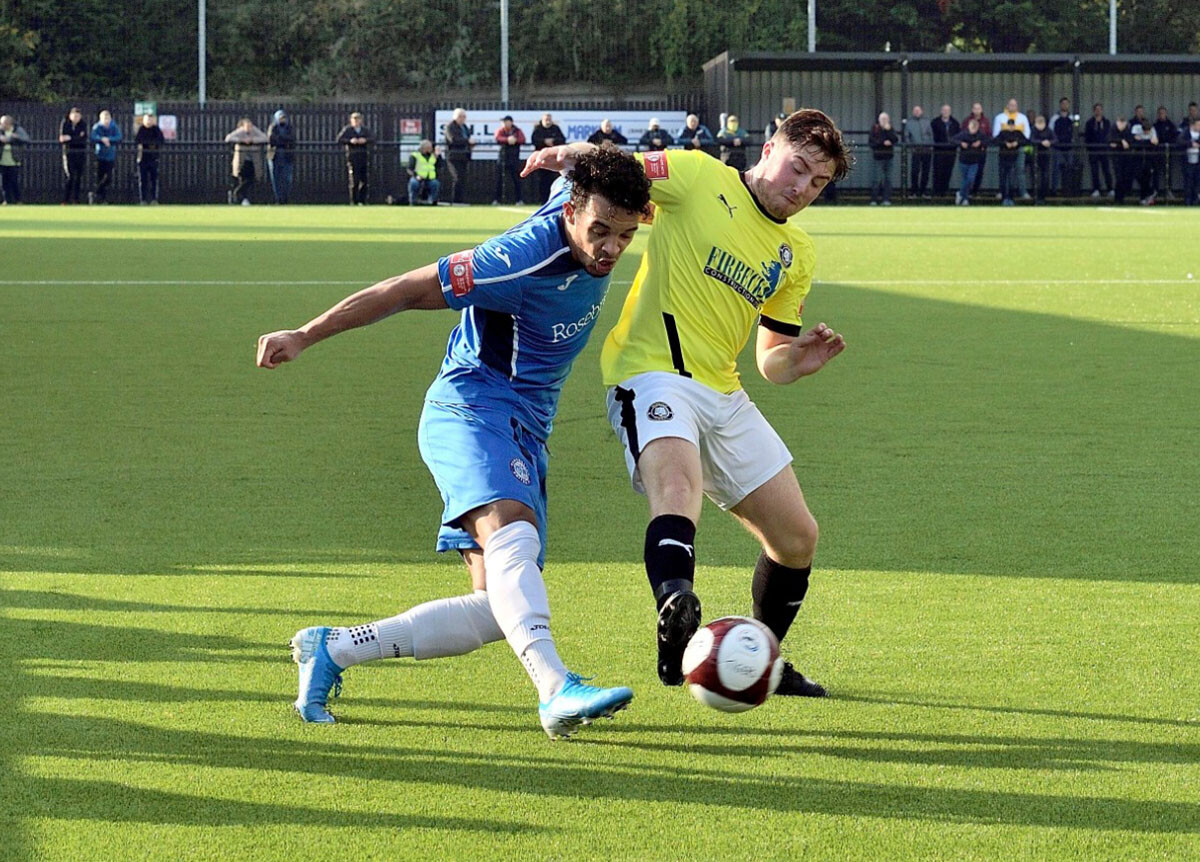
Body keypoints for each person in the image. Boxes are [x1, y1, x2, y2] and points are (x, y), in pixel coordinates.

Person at [256, 146, 650, 738]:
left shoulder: (580, 194)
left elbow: (598, 160)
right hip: (472, 407)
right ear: (570, 212)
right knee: (511, 529)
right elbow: (405, 289)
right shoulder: (514, 261)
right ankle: (554, 687)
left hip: (525, 426)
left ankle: (333, 649)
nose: (611, 249)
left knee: (497, 608)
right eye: (599, 231)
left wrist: (571, 153)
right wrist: (306, 334)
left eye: (624, 235)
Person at [523, 109, 851, 699]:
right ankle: (676, 606)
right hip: (651, 372)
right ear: (769, 147)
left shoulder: (795, 252)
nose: (802, 188)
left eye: (818, 183)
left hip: (723, 390)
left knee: (798, 536)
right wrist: (570, 153)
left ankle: (757, 659)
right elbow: (623, 169)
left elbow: (770, 358)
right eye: (798, 168)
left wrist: (797, 362)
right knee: (677, 488)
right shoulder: (700, 176)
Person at [992, 98, 1031, 200]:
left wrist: (1017, 143)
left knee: (1020, 170)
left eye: (1014, 105)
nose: (1012, 107)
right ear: (1007, 106)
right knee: (1003, 171)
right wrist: (1005, 143)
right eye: (1011, 105)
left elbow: (1027, 134)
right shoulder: (1000, 118)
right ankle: (1002, 192)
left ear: (1017, 106)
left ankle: (1023, 192)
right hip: (1004, 150)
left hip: (1019, 149)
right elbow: (996, 134)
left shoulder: (1023, 118)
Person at [224, 117, 267, 205]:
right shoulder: (240, 132)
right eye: (247, 126)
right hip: (242, 161)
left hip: (253, 162)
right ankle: (242, 198)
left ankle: (239, 194)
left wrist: (253, 140)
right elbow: (228, 138)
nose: (249, 128)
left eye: (250, 126)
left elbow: (265, 138)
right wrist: (241, 140)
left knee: (251, 179)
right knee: (242, 179)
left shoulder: (255, 131)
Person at [337, 112, 373, 205]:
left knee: (365, 180)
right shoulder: (348, 130)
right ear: (351, 121)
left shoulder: (365, 130)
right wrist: (350, 141)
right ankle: (354, 201)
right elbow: (339, 140)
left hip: (364, 156)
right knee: (354, 180)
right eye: (354, 120)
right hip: (353, 157)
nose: (356, 122)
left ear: (361, 120)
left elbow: (373, 139)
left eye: (358, 120)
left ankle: (363, 200)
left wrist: (365, 140)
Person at [443, 107, 476, 204]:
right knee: (457, 178)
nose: (462, 118)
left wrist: (471, 144)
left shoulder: (465, 127)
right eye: (460, 116)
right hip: (454, 156)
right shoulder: (450, 127)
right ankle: (456, 201)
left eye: (464, 116)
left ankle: (461, 200)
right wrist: (467, 141)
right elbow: (453, 140)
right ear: (455, 117)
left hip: (464, 156)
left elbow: (468, 138)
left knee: (463, 179)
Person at [531, 113, 565, 202]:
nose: (548, 121)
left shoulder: (556, 128)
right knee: (541, 181)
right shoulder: (537, 129)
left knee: (554, 180)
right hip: (541, 160)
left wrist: (553, 141)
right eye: (546, 119)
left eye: (549, 119)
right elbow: (534, 140)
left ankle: (553, 199)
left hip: (553, 160)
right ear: (542, 119)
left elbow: (562, 140)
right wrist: (544, 141)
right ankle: (542, 200)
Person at [492, 115, 526, 204]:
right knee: (499, 180)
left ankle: (519, 200)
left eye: (505, 121)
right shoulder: (500, 130)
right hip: (502, 158)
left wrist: (515, 140)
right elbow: (497, 137)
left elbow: (522, 139)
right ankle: (497, 200)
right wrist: (507, 139)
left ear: (510, 122)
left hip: (514, 158)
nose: (503, 123)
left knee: (516, 180)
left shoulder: (517, 131)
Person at [90, 109, 122, 204]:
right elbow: (93, 137)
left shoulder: (114, 127)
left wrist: (108, 139)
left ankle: (96, 194)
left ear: (110, 118)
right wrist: (102, 139)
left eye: (107, 118)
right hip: (99, 155)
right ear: (100, 119)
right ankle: (101, 199)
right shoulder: (97, 127)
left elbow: (119, 137)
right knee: (99, 177)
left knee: (108, 178)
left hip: (110, 156)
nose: (106, 120)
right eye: (104, 118)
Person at [59, 107, 89, 204]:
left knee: (79, 177)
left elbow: (83, 139)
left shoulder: (83, 124)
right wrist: (76, 137)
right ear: (70, 116)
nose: (76, 118)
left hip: (80, 152)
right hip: (68, 153)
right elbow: (62, 138)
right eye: (74, 116)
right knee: (70, 176)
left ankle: (76, 199)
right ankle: (65, 199)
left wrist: (70, 138)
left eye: (78, 116)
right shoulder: (65, 123)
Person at [930, 104, 960, 199]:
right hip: (938, 151)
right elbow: (932, 136)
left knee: (948, 172)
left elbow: (958, 136)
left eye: (947, 110)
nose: (945, 112)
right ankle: (936, 192)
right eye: (944, 110)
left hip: (951, 151)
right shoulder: (935, 122)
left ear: (950, 112)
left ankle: (944, 192)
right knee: (937, 171)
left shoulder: (955, 123)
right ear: (941, 111)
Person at [953, 116, 986, 205]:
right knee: (965, 179)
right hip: (964, 160)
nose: (973, 130)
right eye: (972, 127)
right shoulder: (963, 134)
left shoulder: (980, 135)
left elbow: (989, 140)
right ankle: (965, 198)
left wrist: (980, 143)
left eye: (975, 128)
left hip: (974, 161)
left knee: (970, 179)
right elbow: (953, 139)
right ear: (969, 126)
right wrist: (961, 143)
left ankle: (960, 193)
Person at [1084, 103, 1114, 198]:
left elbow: (1109, 135)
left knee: (1106, 170)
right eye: (1096, 109)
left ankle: (1110, 189)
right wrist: (1090, 147)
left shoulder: (1106, 122)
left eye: (1100, 109)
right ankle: (1096, 189)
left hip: (1104, 150)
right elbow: (1087, 137)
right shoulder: (1089, 123)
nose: (1098, 111)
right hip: (1093, 150)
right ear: (1094, 111)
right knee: (1094, 171)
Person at [868, 112, 898, 205]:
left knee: (888, 179)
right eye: (882, 119)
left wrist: (888, 131)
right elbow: (872, 142)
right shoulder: (875, 128)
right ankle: (874, 200)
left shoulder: (890, 128)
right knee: (877, 179)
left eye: (886, 119)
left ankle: (886, 200)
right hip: (878, 157)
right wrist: (882, 142)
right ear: (879, 120)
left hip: (889, 157)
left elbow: (895, 139)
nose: (884, 121)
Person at [1129, 106, 1158, 205]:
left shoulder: (1153, 130)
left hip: (1149, 158)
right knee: (1139, 176)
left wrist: (1144, 141)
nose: (1147, 133)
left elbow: (1154, 142)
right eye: (1145, 131)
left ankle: (1144, 198)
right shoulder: (1135, 128)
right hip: (1137, 158)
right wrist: (1147, 142)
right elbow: (1134, 142)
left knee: (1147, 178)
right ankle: (1150, 191)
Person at [995, 117, 1027, 206]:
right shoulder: (1002, 133)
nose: (1011, 127)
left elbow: (1026, 141)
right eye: (1009, 125)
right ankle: (1004, 198)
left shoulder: (1018, 133)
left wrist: (1017, 143)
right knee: (1003, 178)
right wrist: (1005, 143)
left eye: (1012, 125)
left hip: (1014, 159)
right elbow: (995, 141)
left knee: (1012, 180)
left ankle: (1011, 198)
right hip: (1003, 158)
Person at [134, 113, 165, 204]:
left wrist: (152, 144)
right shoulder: (141, 129)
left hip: (154, 158)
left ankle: (154, 199)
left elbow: (161, 140)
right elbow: (137, 140)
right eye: (147, 119)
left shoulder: (156, 130)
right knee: (142, 180)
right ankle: (142, 199)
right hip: (142, 158)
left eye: (150, 119)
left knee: (154, 180)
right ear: (143, 120)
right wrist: (147, 144)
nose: (149, 121)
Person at [267, 109, 296, 205]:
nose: (282, 120)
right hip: (275, 155)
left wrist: (281, 139)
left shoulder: (290, 128)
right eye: (280, 118)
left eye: (283, 117)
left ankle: (286, 198)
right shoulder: (273, 127)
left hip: (287, 155)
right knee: (275, 178)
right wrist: (283, 140)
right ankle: (278, 199)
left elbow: (292, 139)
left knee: (287, 178)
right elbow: (272, 139)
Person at [904, 105, 933, 199]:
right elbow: (907, 136)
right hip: (916, 150)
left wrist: (931, 145)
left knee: (926, 171)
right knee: (915, 171)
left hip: (927, 150)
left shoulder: (927, 121)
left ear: (922, 111)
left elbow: (931, 135)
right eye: (915, 111)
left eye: (918, 110)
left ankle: (923, 191)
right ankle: (914, 192)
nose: (916, 112)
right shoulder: (909, 123)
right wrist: (911, 146)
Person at [0, 115, 30, 204]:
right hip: (2, 161)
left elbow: (27, 139)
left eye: (3, 123)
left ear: (8, 124)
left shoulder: (17, 129)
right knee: (4, 182)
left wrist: (16, 138)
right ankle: (7, 200)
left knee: (14, 181)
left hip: (14, 161)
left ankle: (18, 200)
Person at [1049, 98, 1075, 196]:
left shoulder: (1072, 118)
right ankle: (1054, 190)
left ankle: (1069, 190)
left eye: (1066, 103)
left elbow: (1075, 130)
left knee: (1070, 169)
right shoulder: (1054, 118)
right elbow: (1050, 132)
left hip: (1069, 147)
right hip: (1057, 147)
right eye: (1063, 103)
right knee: (1056, 169)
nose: (1064, 105)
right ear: (1060, 105)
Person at [964, 102, 991, 196]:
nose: (977, 110)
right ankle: (965, 193)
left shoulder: (985, 121)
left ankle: (975, 192)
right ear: (972, 110)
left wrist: (981, 143)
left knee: (979, 172)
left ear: (981, 110)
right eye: (975, 108)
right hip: (969, 152)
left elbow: (989, 137)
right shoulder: (967, 121)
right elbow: (962, 135)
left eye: (978, 108)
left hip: (981, 152)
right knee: (968, 174)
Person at [1152, 106, 1178, 199]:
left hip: (1167, 153)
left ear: (1166, 113)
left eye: (1163, 113)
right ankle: (1155, 191)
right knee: (1156, 172)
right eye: (1160, 113)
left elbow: (1174, 137)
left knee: (1167, 172)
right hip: (1157, 153)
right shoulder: (1155, 125)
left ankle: (1168, 191)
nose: (1161, 115)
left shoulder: (1170, 125)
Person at [406, 139, 443, 204]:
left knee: (435, 184)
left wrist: (438, 156)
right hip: (418, 177)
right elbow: (409, 169)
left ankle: (433, 202)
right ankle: (413, 202)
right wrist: (416, 176)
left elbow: (440, 165)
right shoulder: (415, 155)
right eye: (429, 147)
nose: (431, 149)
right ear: (425, 148)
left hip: (430, 178)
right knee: (413, 184)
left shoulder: (433, 156)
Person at [1109, 116, 1136, 204]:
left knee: (1126, 177)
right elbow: (1110, 141)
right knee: (1119, 178)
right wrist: (1121, 141)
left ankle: (1124, 196)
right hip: (1117, 158)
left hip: (1127, 158)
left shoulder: (1128, 130)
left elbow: (1130, 142)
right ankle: (1118, 199)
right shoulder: (1112, 129)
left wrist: (1118, 144)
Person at [1030, 114, 1054, 204]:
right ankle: (1035, 196)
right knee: (1035, 176)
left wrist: (1049, 142)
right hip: (1035, 156)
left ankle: (1043, 196)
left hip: (1045, 156)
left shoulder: (1048, 130)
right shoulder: (1033, 129)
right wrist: (1041, 142)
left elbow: (1055, 139)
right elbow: (1031, 139)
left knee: (1045, 176)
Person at [1182, 117, 1200, 206]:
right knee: (1188, 183)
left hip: (1198, 163)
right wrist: (1190, 144)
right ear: (1193, 125)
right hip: (1188, 162)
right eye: (1198, 125)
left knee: (1197, 183)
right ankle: (1188, 202)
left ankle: (1196, 202)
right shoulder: (1186, 132)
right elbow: (1179, 141)